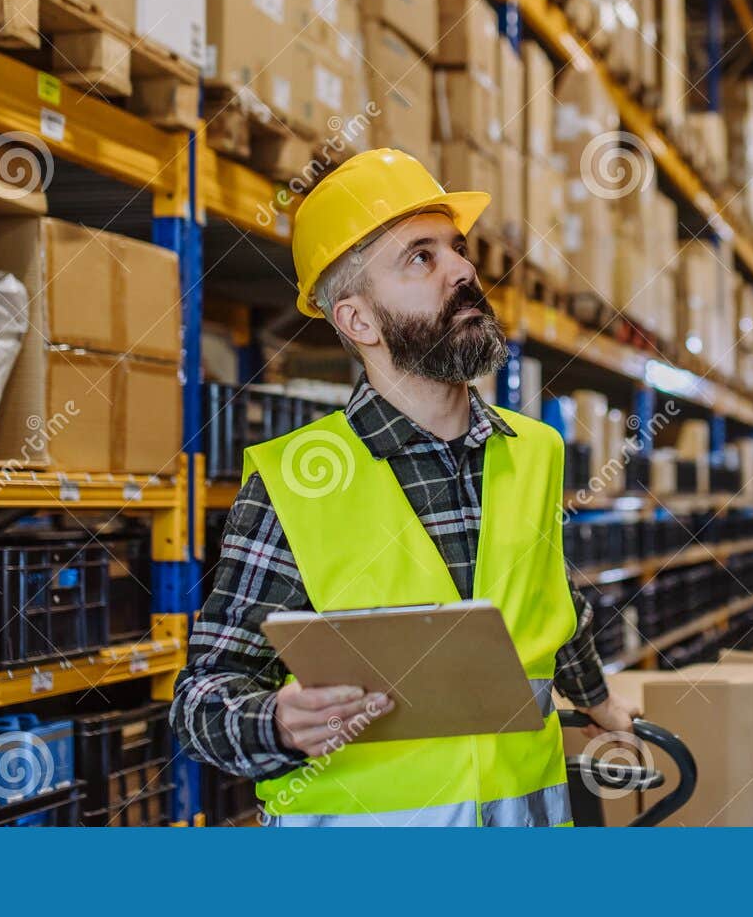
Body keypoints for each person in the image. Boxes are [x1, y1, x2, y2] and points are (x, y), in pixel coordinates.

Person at [171, 148, 639, 827]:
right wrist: (272, 721)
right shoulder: (298, 482)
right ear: (359, 322)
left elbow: (552, 612)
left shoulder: (534, 452)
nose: (464, 270)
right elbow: (201, 700)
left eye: (456, 248)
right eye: (421, 258)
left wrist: (601, 706)